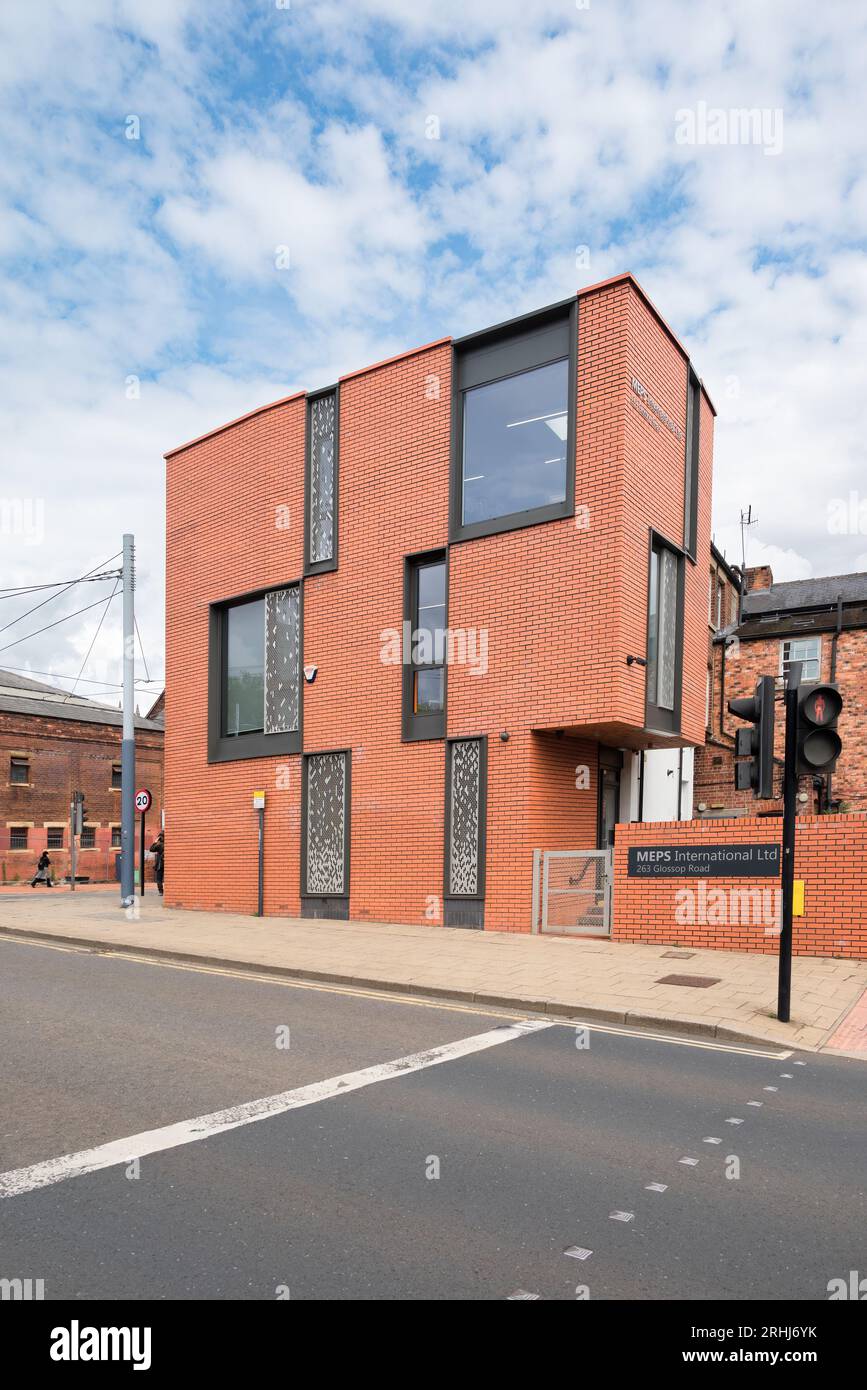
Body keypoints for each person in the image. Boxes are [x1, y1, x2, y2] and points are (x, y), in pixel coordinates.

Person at [150, 831, 164, 895]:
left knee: (159, 879)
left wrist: (155, 842)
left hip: (160, 864)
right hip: (167, 863)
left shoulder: (159, 844)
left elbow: (151, 849)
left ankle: (161, 892)